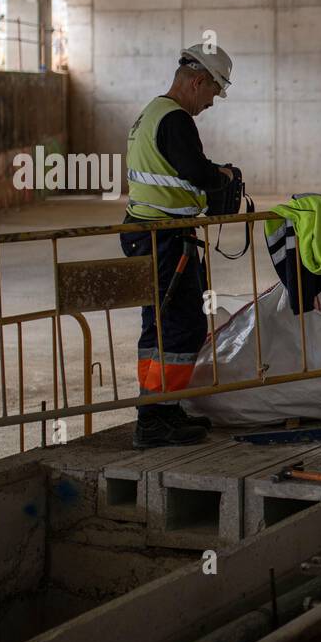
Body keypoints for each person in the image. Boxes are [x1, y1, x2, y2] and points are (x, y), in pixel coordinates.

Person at [121, 44, 242, 449]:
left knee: (160, 325)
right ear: (197, 81)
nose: (211, 102)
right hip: (165, 237)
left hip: (151, 232)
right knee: (177, 325)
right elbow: (195, 172)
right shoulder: (175, 119)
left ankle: (163, 409)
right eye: (213, 92)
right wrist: (221, 176)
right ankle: (154, 417)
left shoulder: (151, 113)